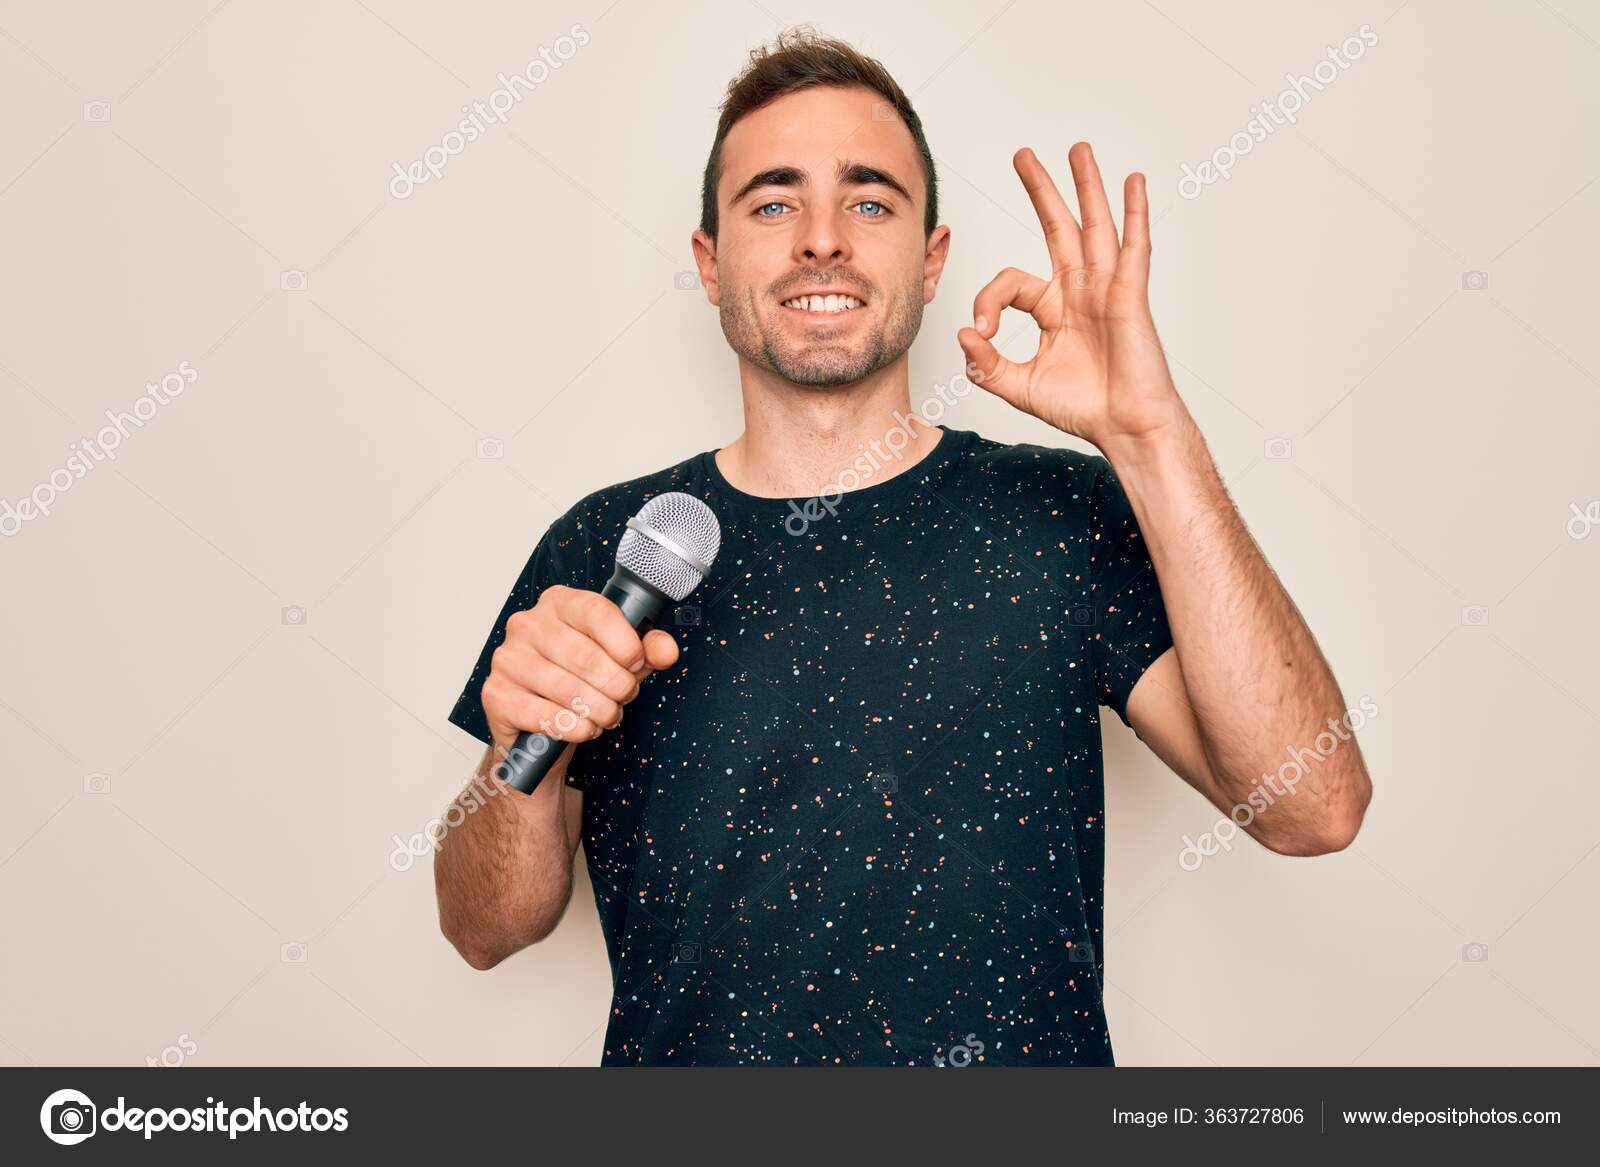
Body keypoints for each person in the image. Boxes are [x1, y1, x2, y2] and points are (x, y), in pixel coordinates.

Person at [435, 28, 1371, 1066]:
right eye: (773, 201)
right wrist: (528, 745)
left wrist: (1150, 437)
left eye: (870, 201)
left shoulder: (1059, 513)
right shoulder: (610, 546)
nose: (822, 240)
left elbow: (1311, 809)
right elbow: (486, 928)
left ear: (931, 263)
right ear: (709, 261)